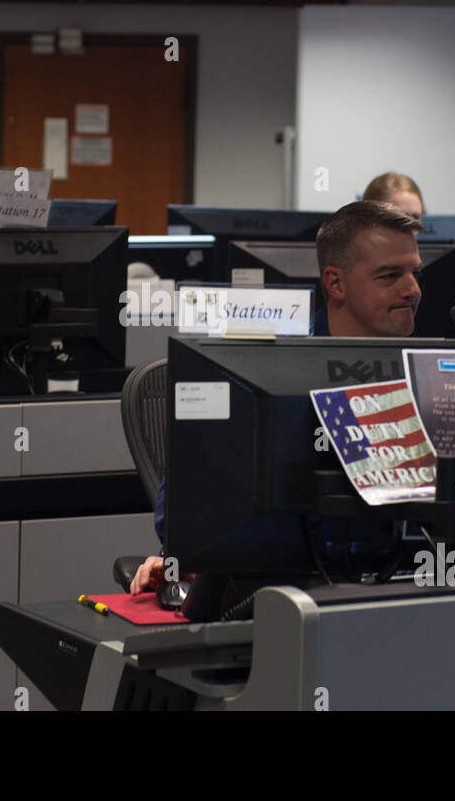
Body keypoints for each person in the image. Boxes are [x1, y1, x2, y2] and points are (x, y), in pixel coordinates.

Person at [130, 201, 425, 593]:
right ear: (335, 284)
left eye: (414, 273)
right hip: (277, 598)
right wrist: (192, 560)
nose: (413, 290)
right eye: (390, 276)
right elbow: (185, 515)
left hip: (403, 590)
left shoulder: (430, 374)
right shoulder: (260, 371)